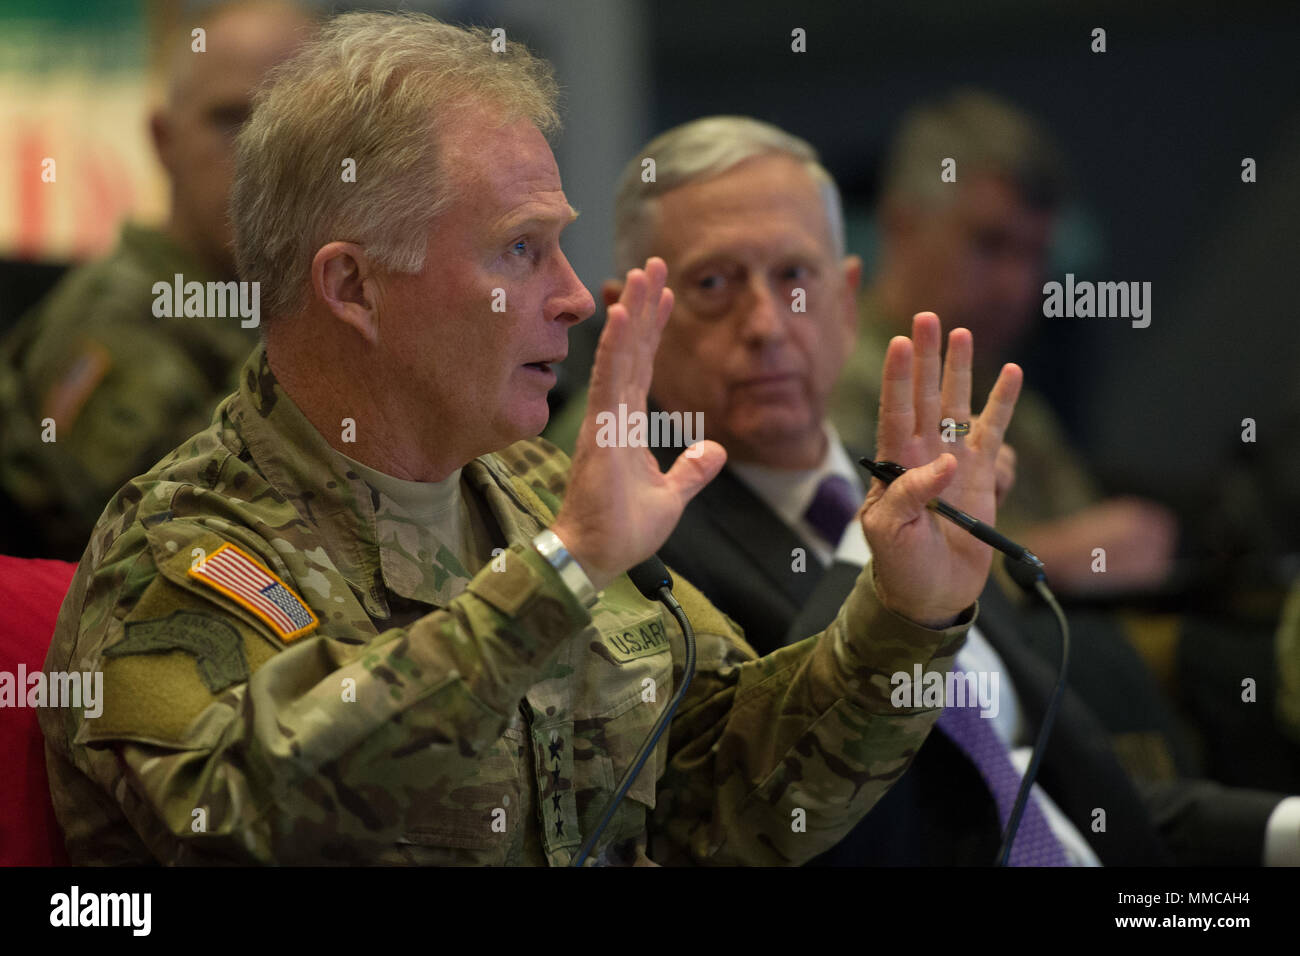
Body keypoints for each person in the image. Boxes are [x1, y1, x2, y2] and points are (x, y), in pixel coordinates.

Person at [39, 12, 1024, 866]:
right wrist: (556, 575)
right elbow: (262, 822)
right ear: (353, 287)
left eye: (559, 242)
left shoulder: (531, 490)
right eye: (520, 248)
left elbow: (725, 799)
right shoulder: (182, 551)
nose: (569, 295)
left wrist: (901, 613)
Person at [608, 114, 1298, 865]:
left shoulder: (933, 485)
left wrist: (1282, 831)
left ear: (845, 297)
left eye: (795, 278)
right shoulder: (638, 542)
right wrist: (877, 564)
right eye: (714, 284)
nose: (769, 324)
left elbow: (1058, 800)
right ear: (630, 318)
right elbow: (767, 811)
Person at [828, 90, 1179, 597]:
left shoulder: (1006, 392)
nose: (1016, 285)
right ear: (900, 226)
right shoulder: (836, 376)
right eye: (989, 245)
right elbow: (857, 572)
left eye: (1034, 254)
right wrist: (1051, 558)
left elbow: (1096, 537)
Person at [0, 0, 315, 559]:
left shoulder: (286, 307)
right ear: (163, 140)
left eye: (295, 127)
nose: (262, 157)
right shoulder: (118, 325)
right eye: (231, 120)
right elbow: (204, 549)